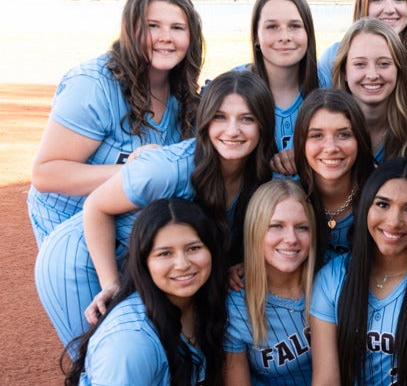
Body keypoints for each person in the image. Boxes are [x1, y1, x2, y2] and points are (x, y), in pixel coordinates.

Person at [35, 70, 276, 349]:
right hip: (82, 256)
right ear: (206, 121)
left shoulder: (260, 176)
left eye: (247, 119)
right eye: (220, 117)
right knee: (105, 355)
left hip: (149, 258)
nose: (232, 130)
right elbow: (96, 206)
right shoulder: (167, 168)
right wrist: (110, 282)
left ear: (263, 124)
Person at [27, 0, 203, 246]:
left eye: (177, 28)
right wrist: (133, 171)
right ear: (131, 30)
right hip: (70, 222)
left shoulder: (183, 91)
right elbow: (45, 174)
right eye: (153, 26)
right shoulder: (92, 85)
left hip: (125, 217)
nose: (166, 36)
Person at [310, 157, 407, 385]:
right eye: (382, 205)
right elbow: (326, 380)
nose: (394, 222)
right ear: (365, 207)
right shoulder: (332, 277)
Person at [63, 197, 228, 386]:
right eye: (165, 253)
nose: (182, 264)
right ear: (144, 261)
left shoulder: (206, 304)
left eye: (194, 248)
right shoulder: (128, 343)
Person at [224, 180, 315, 385]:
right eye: (276, 226)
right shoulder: (236, 304)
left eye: (302, 227)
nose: (291, 239)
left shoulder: (330, 279)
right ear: (255, 231)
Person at [236, 0, 319, 176]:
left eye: (295, 26)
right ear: (256, 36)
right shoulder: (234, 88)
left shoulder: (327, 85)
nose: (284, 37)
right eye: (272, 27)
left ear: (308, 33)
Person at [292, 89, 375, 266]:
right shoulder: (287, 197)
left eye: (344, 134)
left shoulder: (381, 195)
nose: (330, 147)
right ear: (301, 142)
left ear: (359, 139)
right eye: (317, 135)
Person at [332, 17, 407, 164]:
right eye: (360, 64)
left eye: (383, 64)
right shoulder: (319, 127)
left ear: (398, 69)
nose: (372, 75)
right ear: (344, 71)